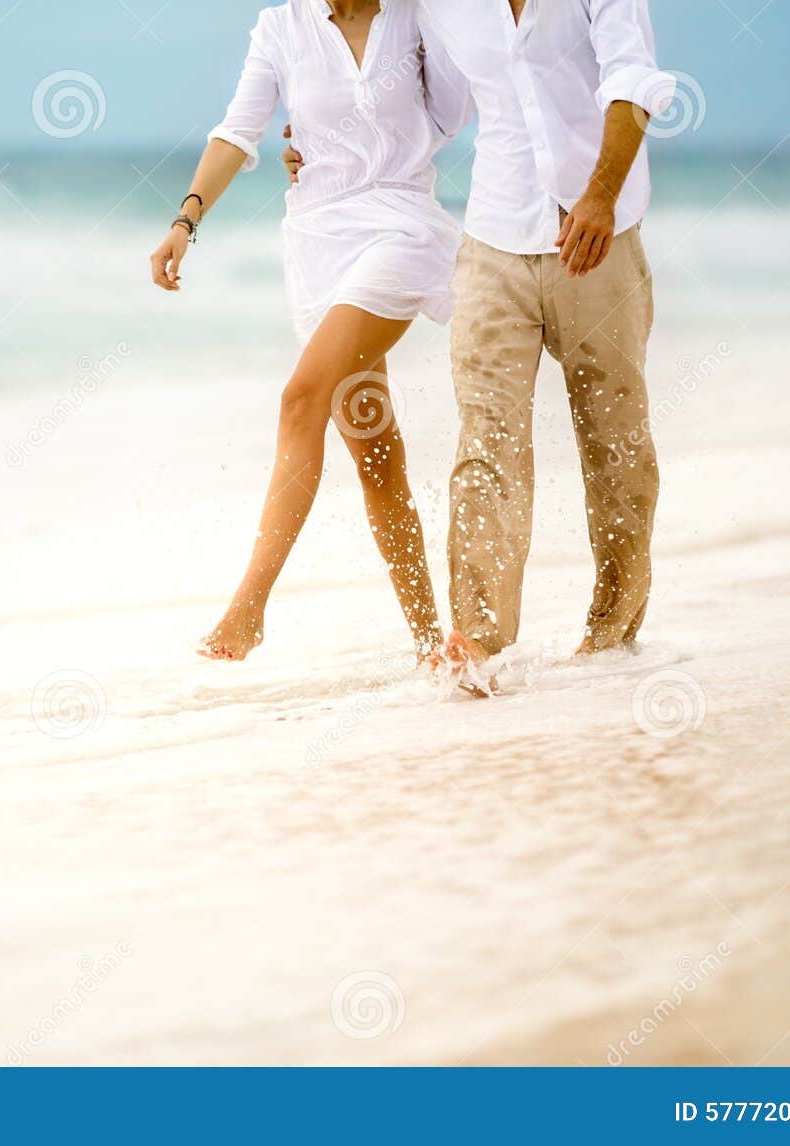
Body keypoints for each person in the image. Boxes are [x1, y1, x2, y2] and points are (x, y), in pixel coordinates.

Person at [285, 0, 675, 670]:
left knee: (615, 444)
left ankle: (611, 636)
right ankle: (480, 642)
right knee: (486, 436)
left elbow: (632, 81)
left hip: (600, 234)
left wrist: (601, 196)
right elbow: (427, 105)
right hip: (495, 233)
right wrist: (325, 142)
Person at [148, 0, 460, 664]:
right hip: (319, 240)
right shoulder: (281, 27)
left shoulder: (416, 17)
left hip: (400, 227)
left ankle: (247, 610)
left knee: (300, 399)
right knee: (378, 457)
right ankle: (431, 644)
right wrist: (185, 222)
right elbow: (237, 133)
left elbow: (464, 99)